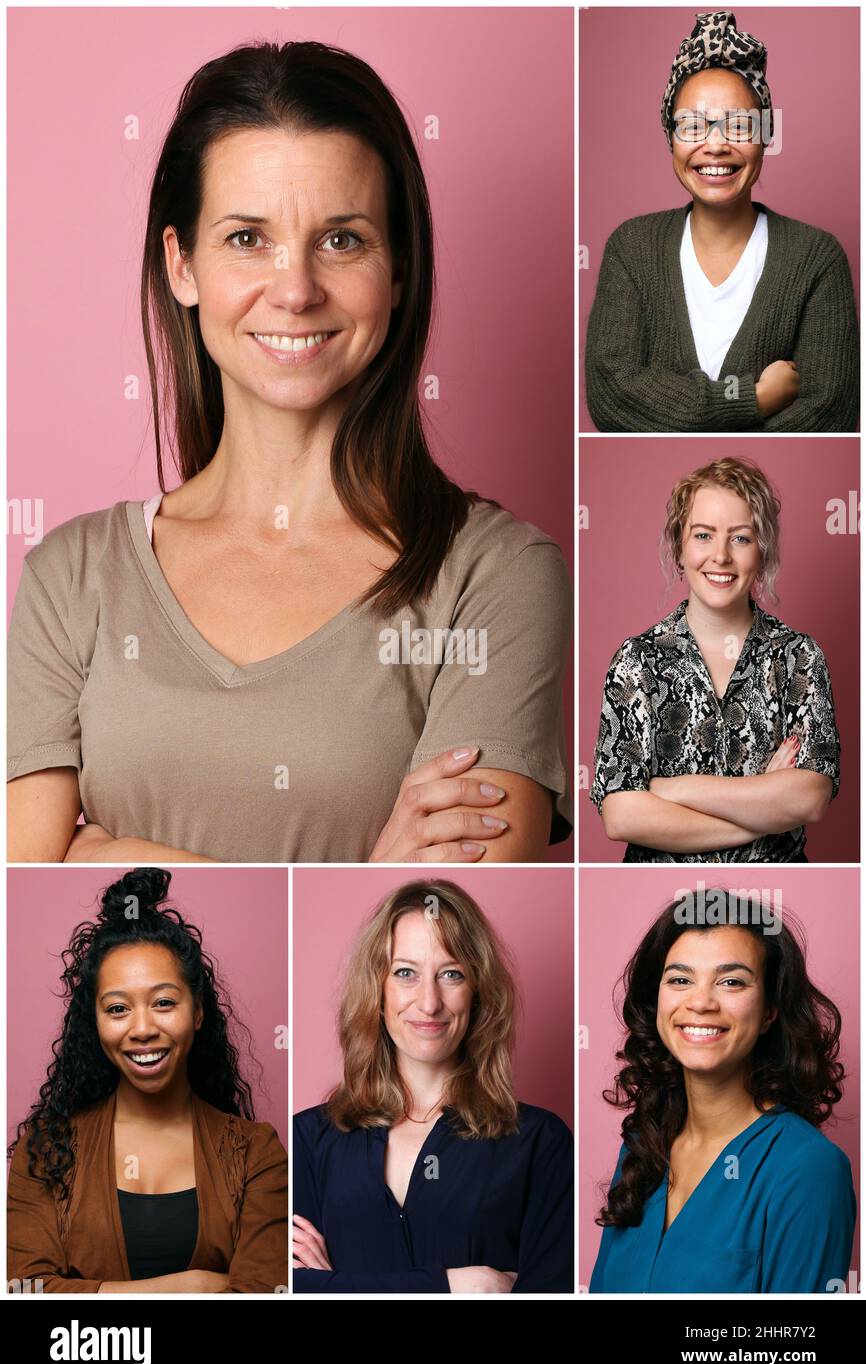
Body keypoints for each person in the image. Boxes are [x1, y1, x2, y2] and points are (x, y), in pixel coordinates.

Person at [7, 40, 571, 866]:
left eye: (342, 240)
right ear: (182, 264)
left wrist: (107, 859)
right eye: (247, 238)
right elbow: (21, 905)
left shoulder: (499, 576)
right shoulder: (70, 576)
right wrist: (361, 877)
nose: (297, 287)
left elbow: (447, 916)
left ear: (399, 270)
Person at [7, 868, 287, 1293]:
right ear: (95, 1021)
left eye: (163, 1002)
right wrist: (194, 1286)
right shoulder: (46, 1151)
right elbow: (25, 1289)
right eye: (118, 1008)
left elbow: (264, 1292)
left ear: (197, 1012)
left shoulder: (256, 1153)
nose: (141, 1029)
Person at [292, 879, 573, 1293]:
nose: (429, 1002)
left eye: (452, 974)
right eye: (405, 973)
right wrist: (455, 1286)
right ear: (377, 990)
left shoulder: (540, 1143)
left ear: (478, 993)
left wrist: (338, 1284)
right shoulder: (310, 1140)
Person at [584, 11, 859, 432]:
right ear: (671, 139)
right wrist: (754, 398)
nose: (715, 144)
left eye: (738, 125)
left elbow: (830, 412)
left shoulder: (816, 258)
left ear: (766, 135)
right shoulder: (632, 247)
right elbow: (612, 397)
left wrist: (682, 411)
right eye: (693, 126)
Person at [589, 890, 856, 1293]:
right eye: (680, 979)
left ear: (769, 1010)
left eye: (731, 981)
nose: (700, 1002)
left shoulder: (809, 1169)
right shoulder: (643, 1146)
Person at [590, 457, 840, 862]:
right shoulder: (637, 660)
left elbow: (809, 798)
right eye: (703, 535)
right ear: (680, 546)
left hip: (775, 881)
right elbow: (621, 816)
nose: (720, 556)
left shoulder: (798, 656)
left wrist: (676, 788)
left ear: (762, 549)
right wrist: (764, 807)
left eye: (740, 538)